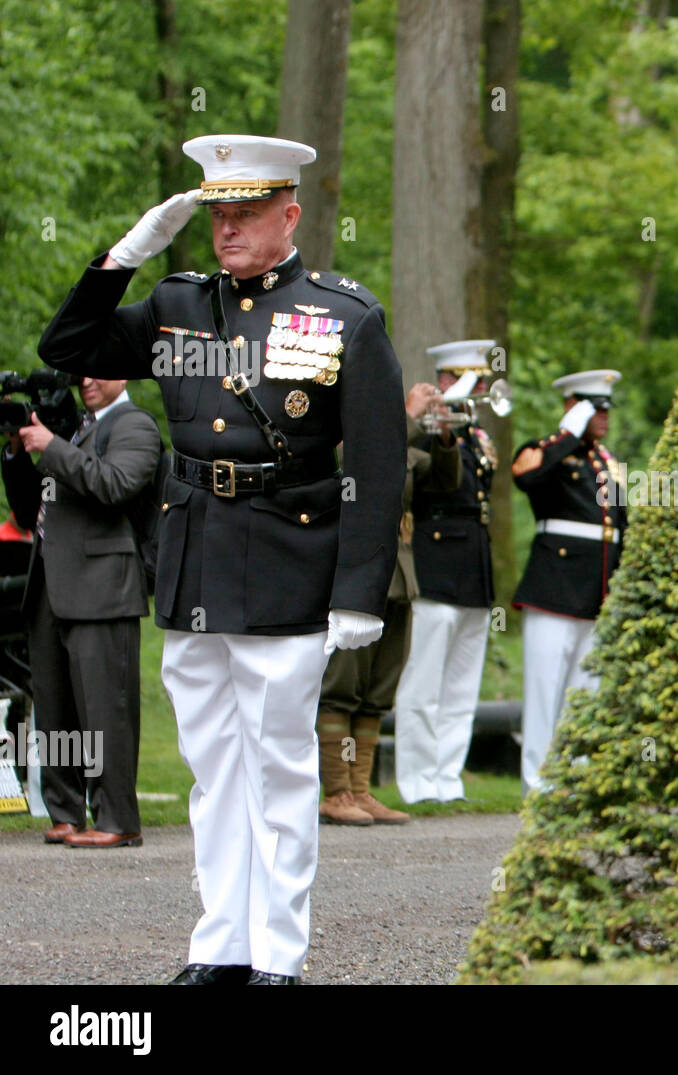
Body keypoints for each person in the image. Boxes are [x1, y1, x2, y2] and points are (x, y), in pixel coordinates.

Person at [37, 134, 405, 984]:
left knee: (277, 766)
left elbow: (378, 468)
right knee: (212, 769)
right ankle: (221, 945)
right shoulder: (177, 303)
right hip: (196, 552)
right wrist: (123, 258)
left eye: (245, 212)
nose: (228, 228)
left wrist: (359, 589)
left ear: (291, 214)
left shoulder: (342, 315)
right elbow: (70, 351)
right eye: (217, 214)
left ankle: (278, 954)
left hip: (289, 553)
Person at [1, 377, 160, 848]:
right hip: (49, 582)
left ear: (123, 376)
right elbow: (30, 512)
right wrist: (16, 452)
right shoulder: (70, 431)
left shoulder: (134, 425)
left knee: (104, 705)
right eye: (81, 373)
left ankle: (116, 818)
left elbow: (115, 485)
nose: (87, 381)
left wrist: (51, 446)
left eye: (98, 371)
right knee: (54, 708)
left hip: (102, 585)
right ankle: (65, 811)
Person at [318, 380, 461, 823]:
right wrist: (411, 419)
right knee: (342, 688)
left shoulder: (402, 444)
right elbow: (368, 467)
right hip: (355, 574)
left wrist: (444, 437)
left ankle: (360, 790)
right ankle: (336, 792)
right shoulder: (340, 440)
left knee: (378, 689)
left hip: (398, 577)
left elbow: (445, 482)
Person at [511, 369, 626, 793]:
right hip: (554, 590)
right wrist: (565, 435)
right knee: (545, 693)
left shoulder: (607, 462)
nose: (604, 418)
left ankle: (575, 779)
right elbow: (527, 478)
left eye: (605, 410)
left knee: (585, 693)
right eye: (594, 409)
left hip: (597, 591)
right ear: (573, 407)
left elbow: (620, 525)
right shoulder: (545, 452)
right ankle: (537, 783)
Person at [394, 340, 498, 803]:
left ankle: (447, 778)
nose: (474, 389)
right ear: (442, 381)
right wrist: (432, 425)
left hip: (472, 570)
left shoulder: (477, 436)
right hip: (434, 566)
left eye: (478, 380)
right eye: (463, 379)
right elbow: (412, 472)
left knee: (460, 686)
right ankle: (416, 781)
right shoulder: (421, 427)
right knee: (423, 682)